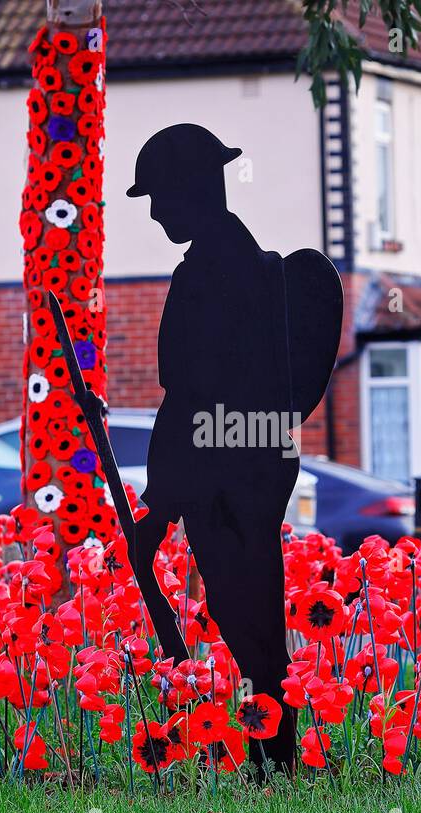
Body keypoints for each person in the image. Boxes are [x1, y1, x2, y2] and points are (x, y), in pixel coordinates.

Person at [126, 124, 302, 773]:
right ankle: (271, 757)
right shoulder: (254, 266)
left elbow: (193, 397)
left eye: (159, 196)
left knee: (247, 621)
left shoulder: (209, 274)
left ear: (191, 189)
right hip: (252, 467)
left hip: (227, 477)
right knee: (250, 618)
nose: (155, 210)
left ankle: (274, 758)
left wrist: (160, 507)